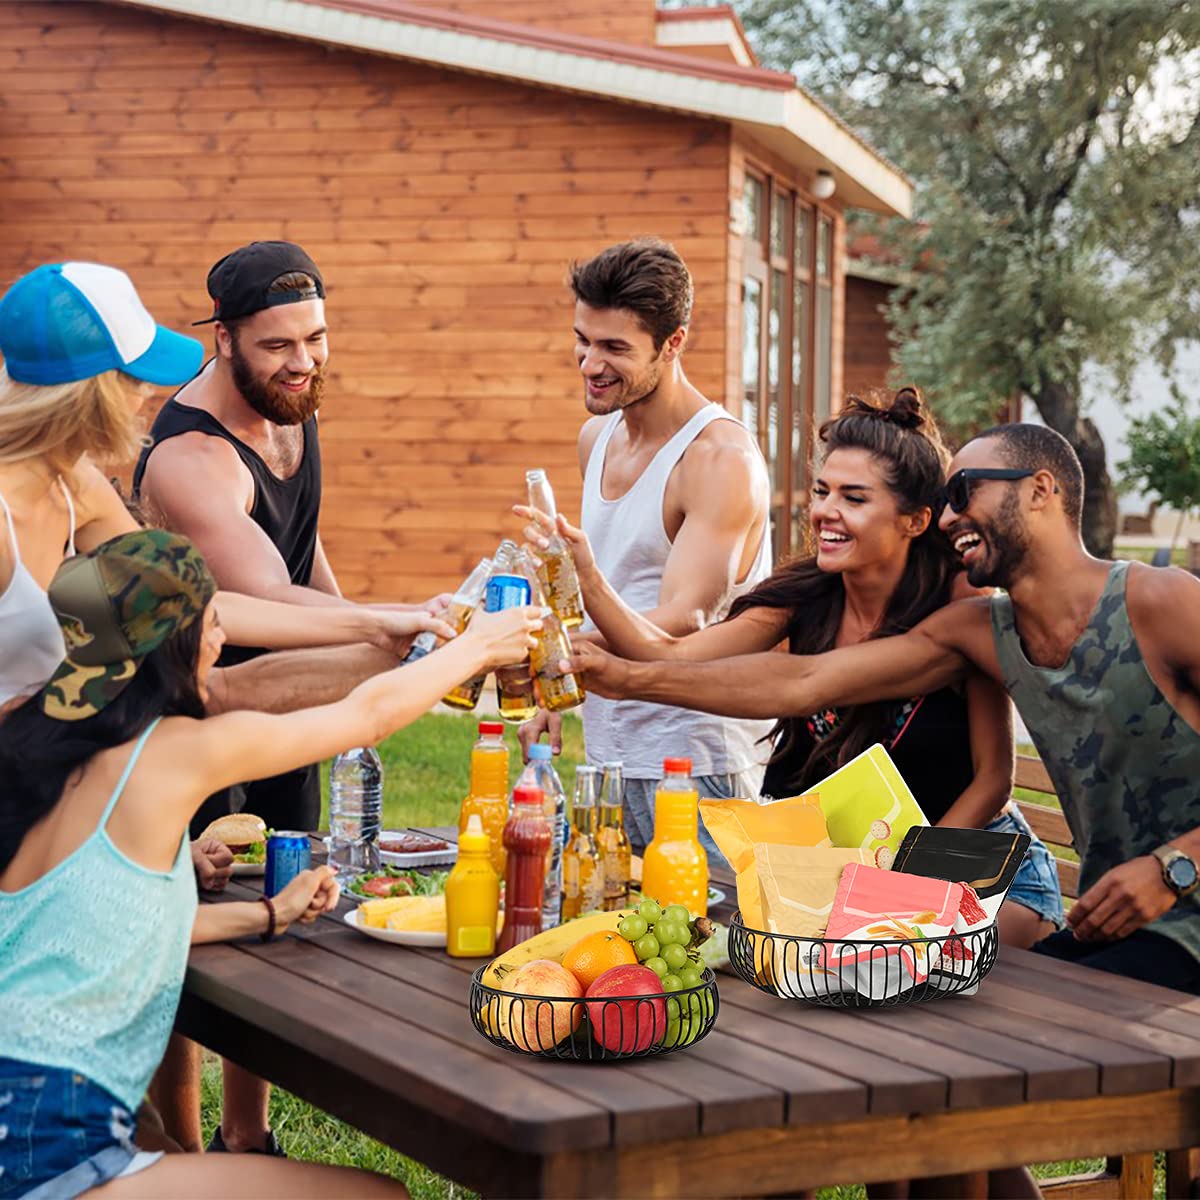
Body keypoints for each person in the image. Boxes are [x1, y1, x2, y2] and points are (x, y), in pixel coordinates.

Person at [0, 527, 541, 1198]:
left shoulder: (27, 744)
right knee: (382, 1197)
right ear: (170, 645)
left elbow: (91, 926)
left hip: (20, 1114)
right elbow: (365, 718)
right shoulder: (169, 753)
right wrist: (479, 646)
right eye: (213, 622)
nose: (221, 640)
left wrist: (264, 914)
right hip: (47, 1140)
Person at [571, 422, 1200, 995]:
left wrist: (1173, 868)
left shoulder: (1162, 602)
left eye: (966, 490)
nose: (952, 515)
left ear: (1041, 491)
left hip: (1164, 931)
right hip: (1120, 937)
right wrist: (625, 679)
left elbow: (992, 782)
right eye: (947, 498)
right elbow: (804, 681)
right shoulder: (983, 630)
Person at [536, 389, 1062, 949]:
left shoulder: (957, 602)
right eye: (821, 491)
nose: (825, 512)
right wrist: (589, 582)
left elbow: (992, 781)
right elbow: (670, 654)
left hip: (980, 869)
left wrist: (903, 891)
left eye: (853, 498)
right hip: (859, 878)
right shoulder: (805, 595)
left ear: (915, 520)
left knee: (904, 984)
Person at [131, 241, 440, 1154]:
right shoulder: (190, 458)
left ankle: (250, 1137)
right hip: (192, 712)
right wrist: (401, 628)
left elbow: (306, 568)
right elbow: (265, 604)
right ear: (221, 340)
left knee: (280, 893)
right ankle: (184, 1148)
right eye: (277, 346)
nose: (303, 362)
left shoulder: (292, 408)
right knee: (184, 941)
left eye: (316, 338)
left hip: (275, 708)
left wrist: (371, 626)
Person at [518, 237, 774, 866]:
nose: (589, 363)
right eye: (583, 339)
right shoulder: (595, 438)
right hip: (608, 753)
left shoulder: (719, 460)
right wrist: (555, 690)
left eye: (614, 349)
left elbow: (685, 618)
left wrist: (562, 655)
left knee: (706, 959)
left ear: (673, 343)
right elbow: (600, 593)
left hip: (697, 768)